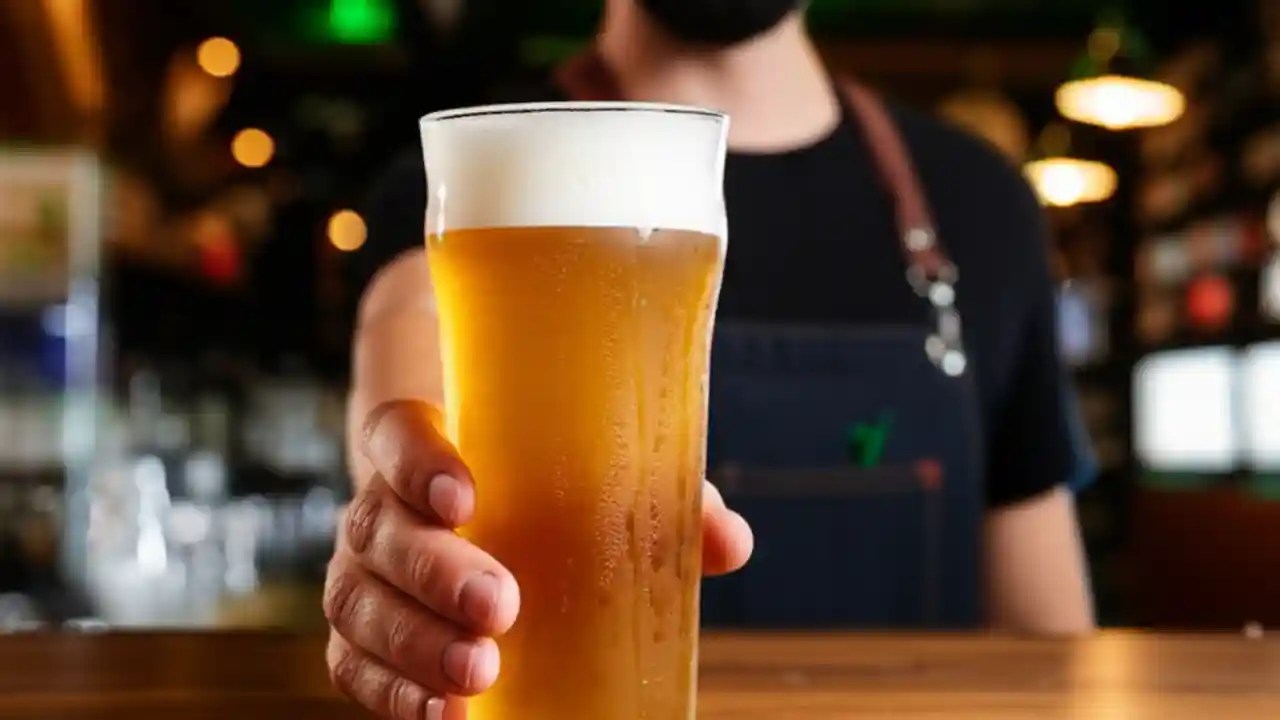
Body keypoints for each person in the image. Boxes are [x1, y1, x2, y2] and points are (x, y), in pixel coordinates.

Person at [326, 1, 1096, 717]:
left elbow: (1051, 646)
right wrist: (412, 543)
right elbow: (417, 325)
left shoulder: (981, 203)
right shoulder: (475, 163)